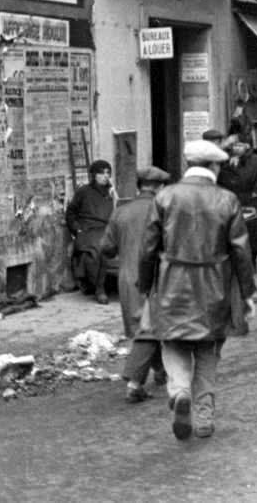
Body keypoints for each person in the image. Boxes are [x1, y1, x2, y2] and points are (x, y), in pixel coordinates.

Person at [137, 140, 256, 440]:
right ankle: (204, 413)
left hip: (171, 282)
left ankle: (179, 393)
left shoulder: (165, 196)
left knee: (173, 342)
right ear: (214, 167)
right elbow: (241, 250)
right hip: (213, 285)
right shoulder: (227, 199)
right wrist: (247, 292)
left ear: (189, 165)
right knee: (208, 348)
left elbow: (148, 247)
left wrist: (145, 284)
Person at [102, 166, 171, 403]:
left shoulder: (121, 211)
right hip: (157, 278)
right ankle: (134, 382)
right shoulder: (165, 210)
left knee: (145, 327)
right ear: (160, 187)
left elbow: (106, 248)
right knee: (150, 329)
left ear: (138, 186)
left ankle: (161, 371)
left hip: (127, 279)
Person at [217, 134, 257, 263]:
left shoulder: (255, 160)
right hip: (230, 199)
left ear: (246, 146)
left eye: (238, 145)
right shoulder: (224, 159)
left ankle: (251, 261)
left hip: (250, 200)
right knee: (230, 231)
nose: (235, 148)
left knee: (251, 234)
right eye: (233, 146)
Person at [65, 160, 116, 304]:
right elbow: (70, 213)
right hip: (88, 230)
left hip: (108, 228)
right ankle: (99, 289)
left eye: (108, 173)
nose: (105, 176)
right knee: (98, 249)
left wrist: (115, 194)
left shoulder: (111, 192)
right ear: (94, 175)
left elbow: (119, 211)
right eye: (102, 173)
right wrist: (77, 229)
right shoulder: (84, 192)